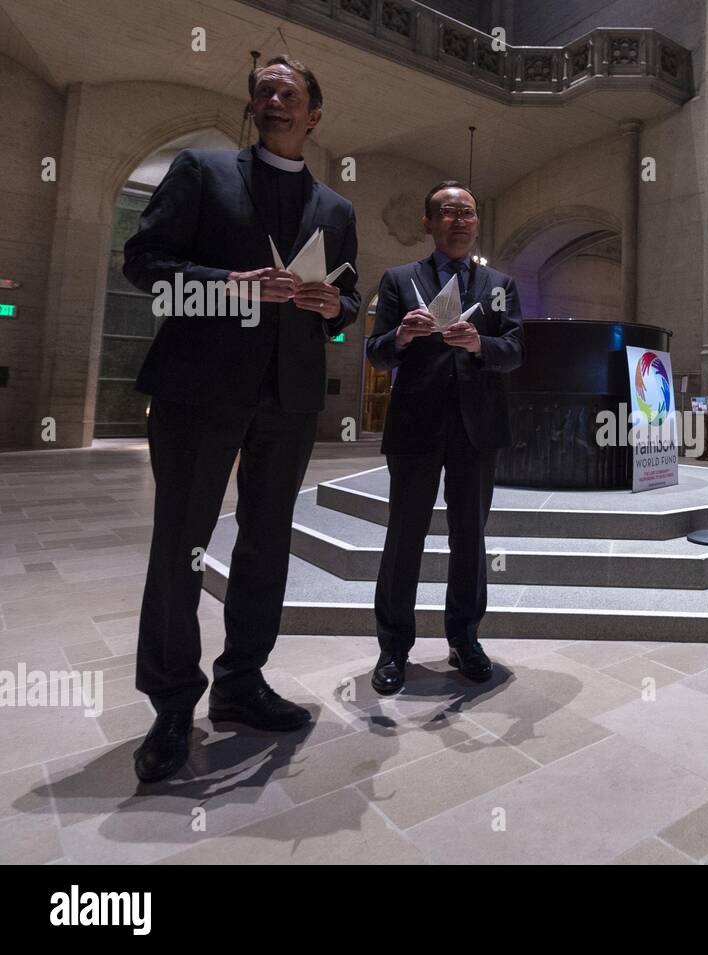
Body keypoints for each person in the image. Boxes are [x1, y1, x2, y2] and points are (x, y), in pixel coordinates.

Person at [123, 56, 360, 782]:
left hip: (287, 397)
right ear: (254, 108)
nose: (275, 99)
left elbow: (347, 306)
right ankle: (170, 704)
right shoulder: (203, 171)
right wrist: (228, 286)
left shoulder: (337, 210)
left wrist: (335, 310)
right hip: (200, 387)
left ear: (315, 114)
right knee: (181, 544)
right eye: (265, 91)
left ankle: (242, 681)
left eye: (290, 92)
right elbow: (144, 263)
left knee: (265, 542)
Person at [365, 181, 524, 693]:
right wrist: (402, 336)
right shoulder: (398, 280)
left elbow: (516, 350)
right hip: (415, 425)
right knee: (403, 535)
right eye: (448, 212)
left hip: (476, 427)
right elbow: (376, 352)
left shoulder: (498, 283)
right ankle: (393, 647)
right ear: (427, 223)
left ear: (477, 223)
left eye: (468, 213)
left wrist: (481, 344)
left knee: (469, 537)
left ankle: (465, 638)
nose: (459, 221)